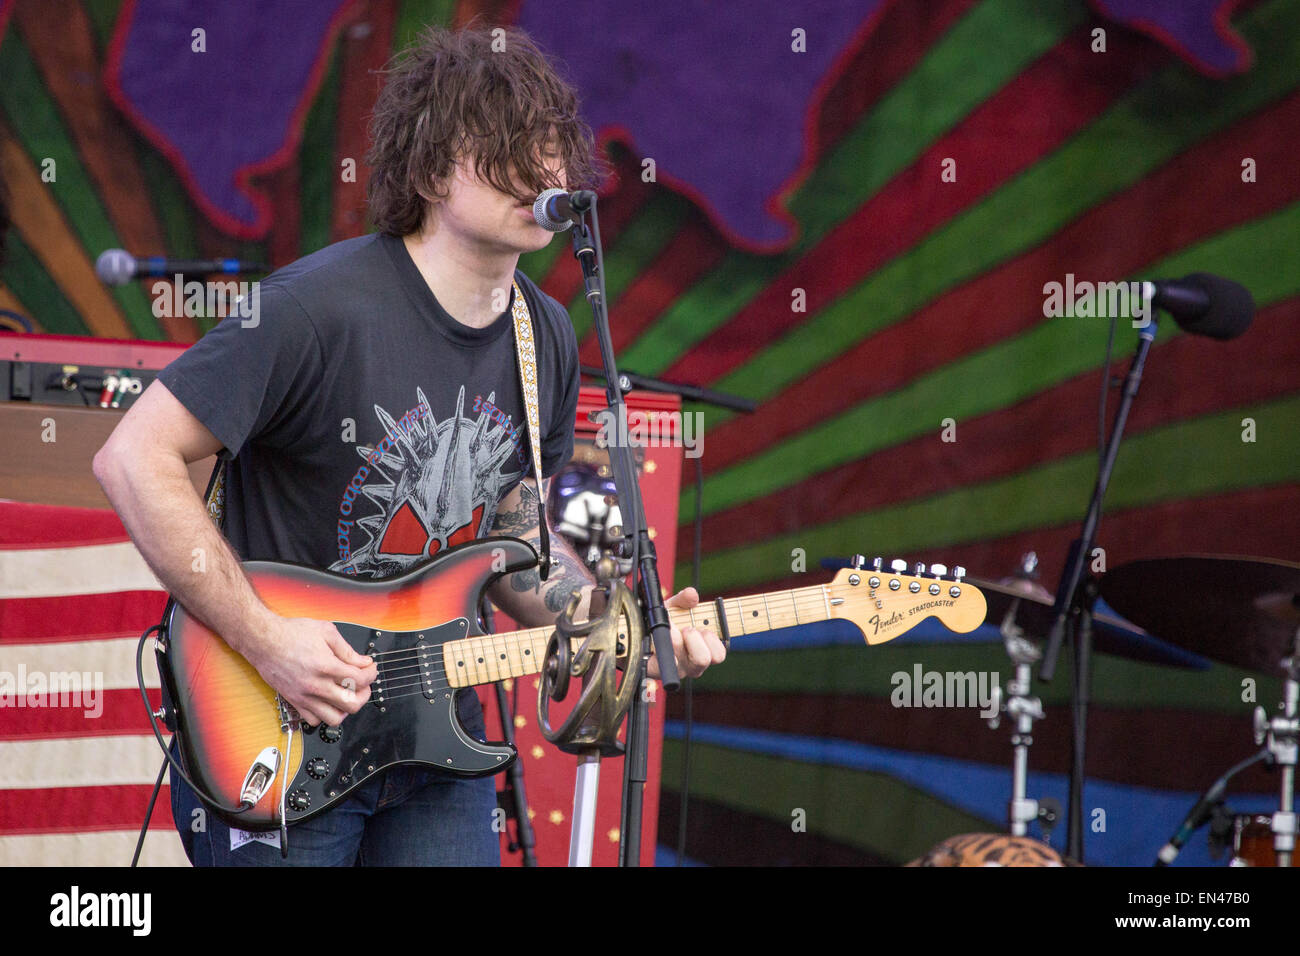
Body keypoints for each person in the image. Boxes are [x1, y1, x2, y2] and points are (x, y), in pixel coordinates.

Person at [93, 24, 725, 867]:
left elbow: (514, 543)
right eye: (508, 148)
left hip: (436, 744)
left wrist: (623, 629)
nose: (545, 173)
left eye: (551, 149)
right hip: (280, 731)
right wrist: (267, 639)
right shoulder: (314, 309)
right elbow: (133, 457)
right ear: (430, 171)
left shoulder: (547, 336)